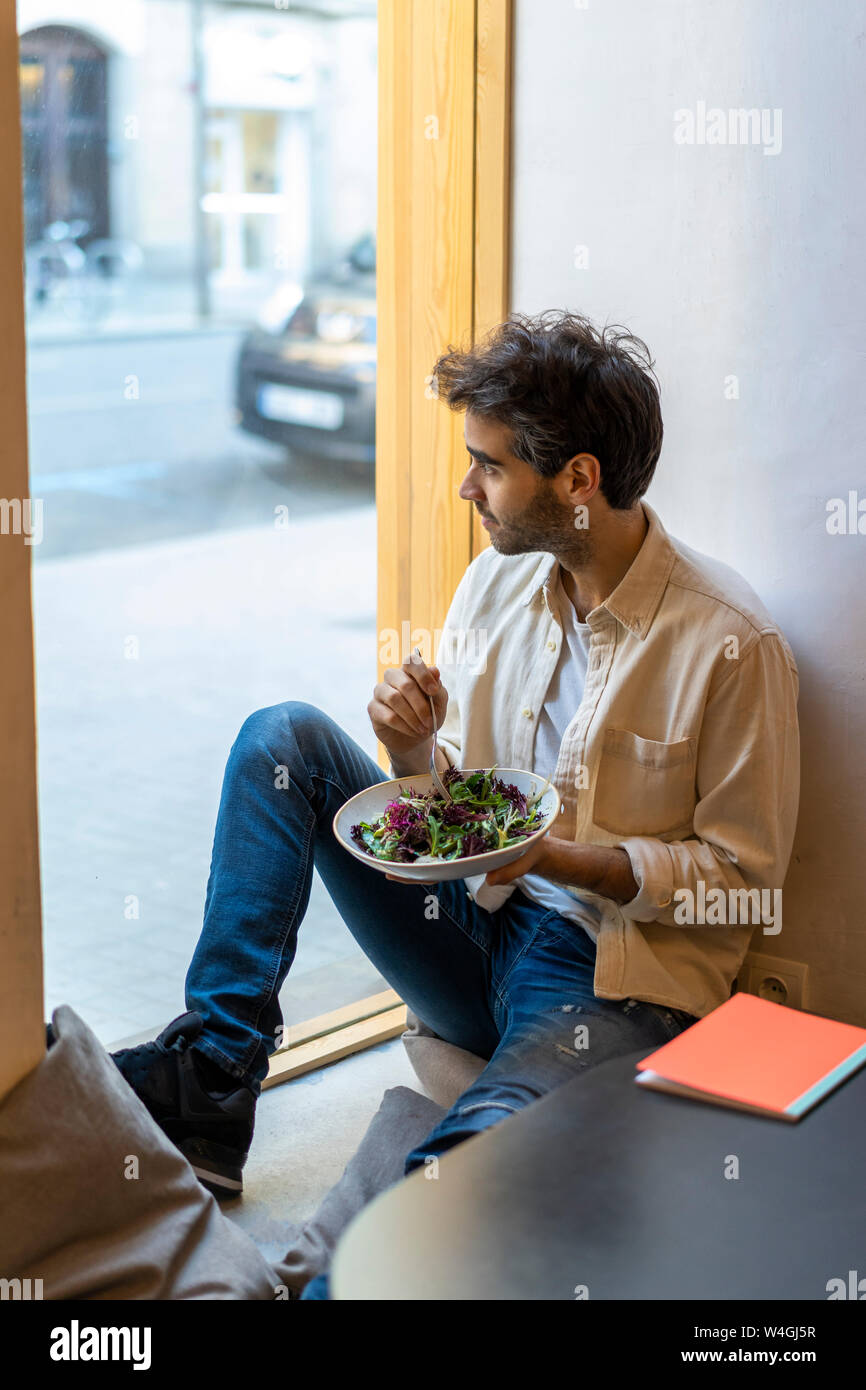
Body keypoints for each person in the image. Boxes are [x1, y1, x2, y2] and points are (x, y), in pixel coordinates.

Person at [113, 309, 800, 1256]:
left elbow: (746, 884)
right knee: (284, 741)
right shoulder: (496, 584)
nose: (464, 485)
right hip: (476, 924)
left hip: (609, 981)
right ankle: (213, 1084)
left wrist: (573, 860)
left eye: (491, 466)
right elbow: (461, 814)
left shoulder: (730, 641)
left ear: (579, 481)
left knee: (464, 1187)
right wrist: (411, 752)